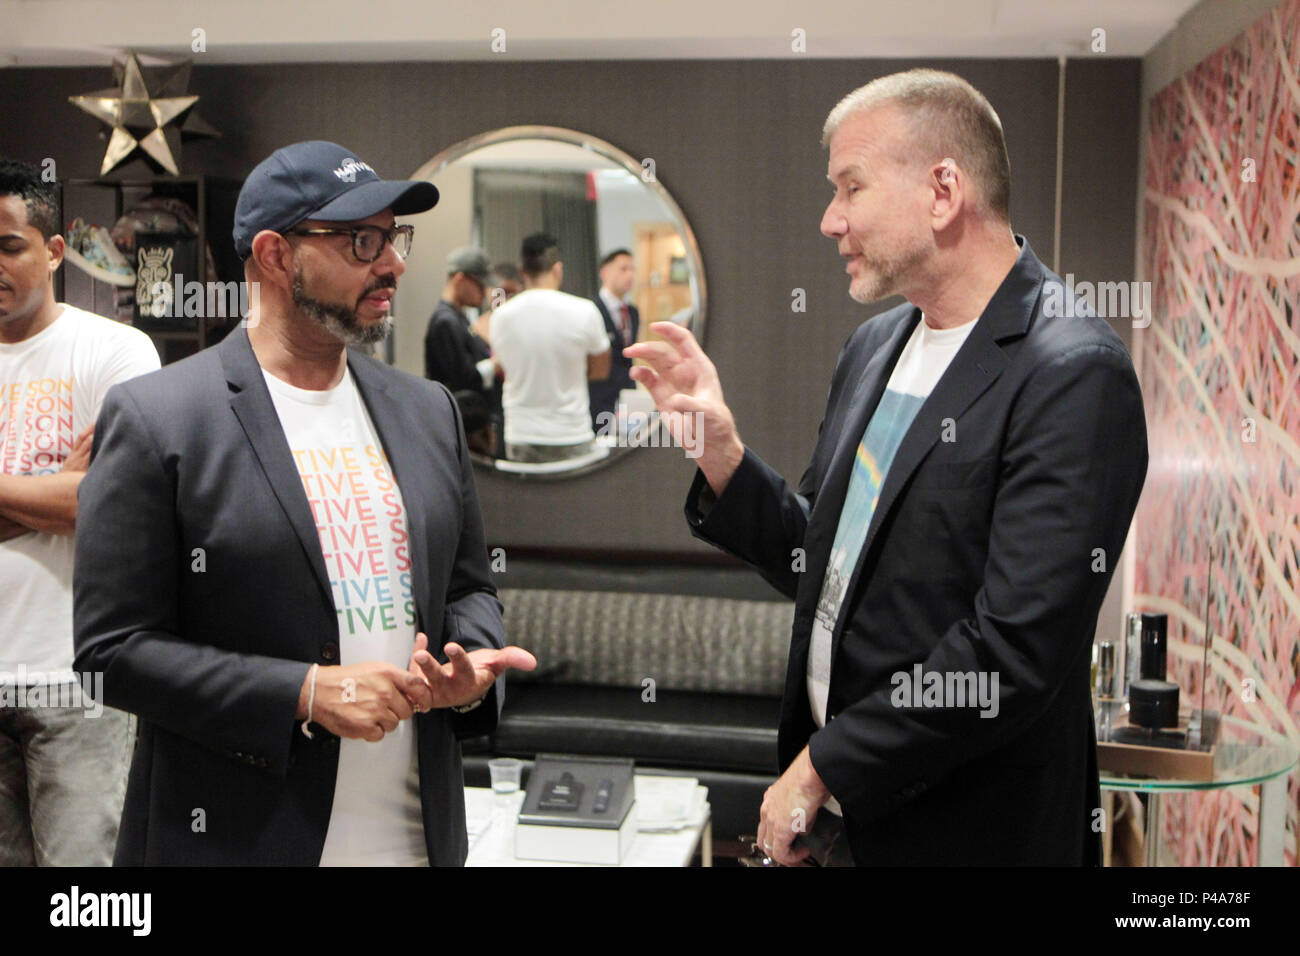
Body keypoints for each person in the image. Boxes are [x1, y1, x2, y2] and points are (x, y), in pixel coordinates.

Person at [626, 69, 1148, 866]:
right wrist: (726, 460)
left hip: (973, 831)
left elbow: (1012, 652)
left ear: (944, 190)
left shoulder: (1073, 369)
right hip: (853, 822)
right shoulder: (874, 347)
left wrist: (829, 763)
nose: (830, 220)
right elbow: (827, 561)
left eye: (850, 187)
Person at [72, 140, 535, 866]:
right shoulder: (161, 416)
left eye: (394, 238)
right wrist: (302, 692)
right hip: (238, 838)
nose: (394, 264)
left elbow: (469, 586)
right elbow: (110, 654)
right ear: (276, 256)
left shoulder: (425, 410)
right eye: (362, 241)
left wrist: (466, 667)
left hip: (416, 839)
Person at [0, 157, 160, 865]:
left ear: (55, 249)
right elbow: (67, 501)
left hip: (79, 677)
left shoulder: (117, 351)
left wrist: (77, 495)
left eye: (9, 246)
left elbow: (108, 505)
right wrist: (50, 492)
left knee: (85, 893)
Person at [488, 232, 610, 463]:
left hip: (521, 433)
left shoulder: (500, 317)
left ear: (522, 271)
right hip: (571, 430)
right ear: (558, 269)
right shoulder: (585, 311)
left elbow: (503, 368)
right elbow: (600, 370)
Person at [424, 246, 502, 456]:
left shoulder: (458, 318)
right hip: (461, 431)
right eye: (479, 285)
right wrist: (495, 364)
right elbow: (461, 378)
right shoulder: (445, 322)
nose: (484, 292)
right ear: (460, 280)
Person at [588, 248, 640, 430]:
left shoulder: (632, 312)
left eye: (633, 269)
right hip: (599, 399)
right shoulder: (590, 310)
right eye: (623, 269)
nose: (630, 275)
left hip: (627, 398)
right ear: (605, 273)